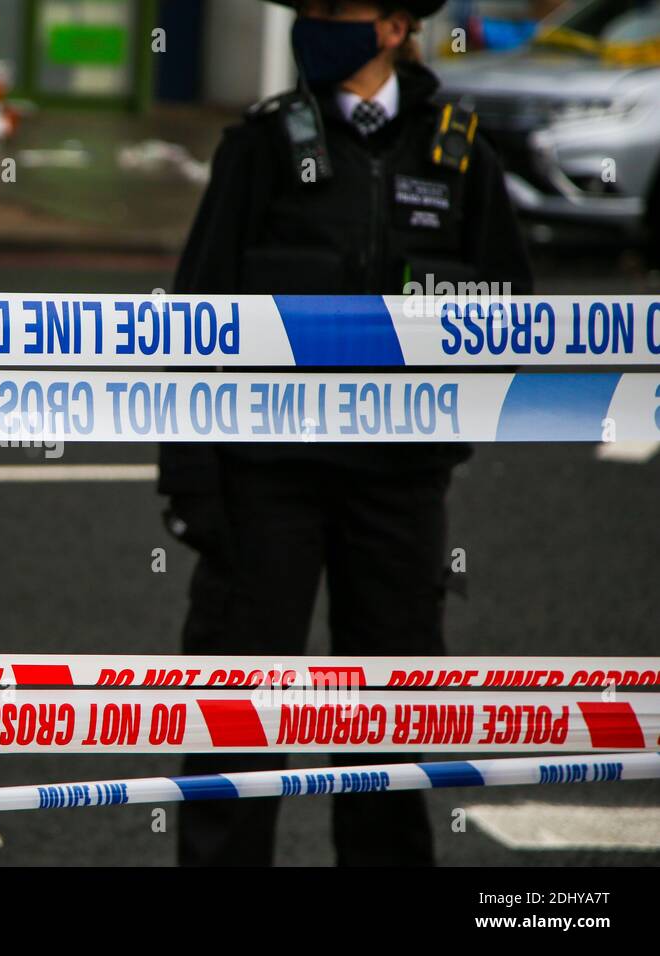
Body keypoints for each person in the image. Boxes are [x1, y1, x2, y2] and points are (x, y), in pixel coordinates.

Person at [160, 0, 534, 866]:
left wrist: (442, 433)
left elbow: (516, 317)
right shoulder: (257, 148)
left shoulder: (460, 153)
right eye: (312, 9)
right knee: (238, 715)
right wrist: (191, 484)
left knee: (392, 723)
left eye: (341, 10)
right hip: (263, 482)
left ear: (396, 27)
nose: (316, 24)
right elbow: (190, 320)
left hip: (398, 489)